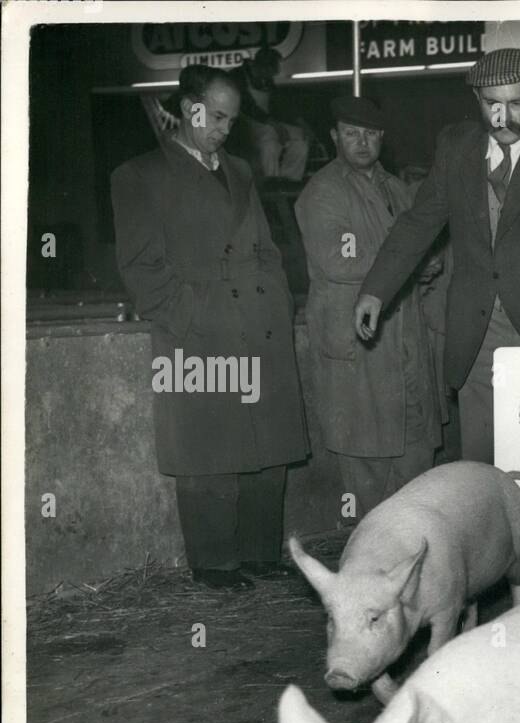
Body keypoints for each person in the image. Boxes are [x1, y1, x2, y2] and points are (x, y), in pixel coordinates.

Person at [354, 48, 520, 463]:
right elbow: (418, 224)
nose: (503, 118)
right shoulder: (455, 147)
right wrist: (376, 289)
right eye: (491, 105)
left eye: (516, 103)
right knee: (483, 473)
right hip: (476, 337)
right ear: (477, 101)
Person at [111, 64, 308, 590]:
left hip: (259, 325)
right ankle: (216, 563)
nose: (225, 127)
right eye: (216, 116)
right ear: (188, 107)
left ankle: (261, 552)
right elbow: (141, 270)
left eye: (232, 119)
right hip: (201, 334)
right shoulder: (139, 176)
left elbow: (267, 248)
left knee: (267, 447)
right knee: (210, 451)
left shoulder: (242, 170)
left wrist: (278, 302)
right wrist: (194, 316)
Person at [295, 96, 447, 517]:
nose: (362, 142)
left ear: (382, 137)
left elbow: (420, 242)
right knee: (366, 474)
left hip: (406, 345)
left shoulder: (397, 189)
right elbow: (339, 259)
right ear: (334, 137)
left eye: (370, 133)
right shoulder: (322, 192)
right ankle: (369, 566)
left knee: (417, 464)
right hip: (359, 352)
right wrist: (411, 262)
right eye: (351, 133)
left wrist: (428, 260)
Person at [234, 47, 311, 182]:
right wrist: (272, 123)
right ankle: (270, 183)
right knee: (270, 143)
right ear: (263, 67)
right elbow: (245, 106)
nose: (275, 73)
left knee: (300, 141)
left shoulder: (266, 81)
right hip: (242, 126)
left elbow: (281, 106)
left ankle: (289, 181)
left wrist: (301, 124)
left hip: (268, 125)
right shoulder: (237, 76)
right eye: (273, 70)